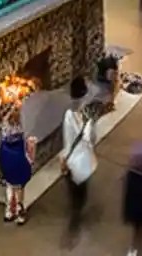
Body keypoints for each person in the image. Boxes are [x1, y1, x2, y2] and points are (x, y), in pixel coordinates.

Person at [60, 76, 96, 241]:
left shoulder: (68, 115)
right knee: (81, 192)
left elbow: (68, 138)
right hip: (83, 162)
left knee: (74, 190)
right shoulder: (87, 118)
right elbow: (90, 139)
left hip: (70, 160)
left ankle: (75, 212)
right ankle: (77, 214)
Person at [0, 100, 35, 224]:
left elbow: (3, 121)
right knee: (19, 187)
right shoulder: (21, 127)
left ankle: (8, 212)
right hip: (18, 158)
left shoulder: (4, 126)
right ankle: (19, 210)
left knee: (9, 185)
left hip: (7, 157)